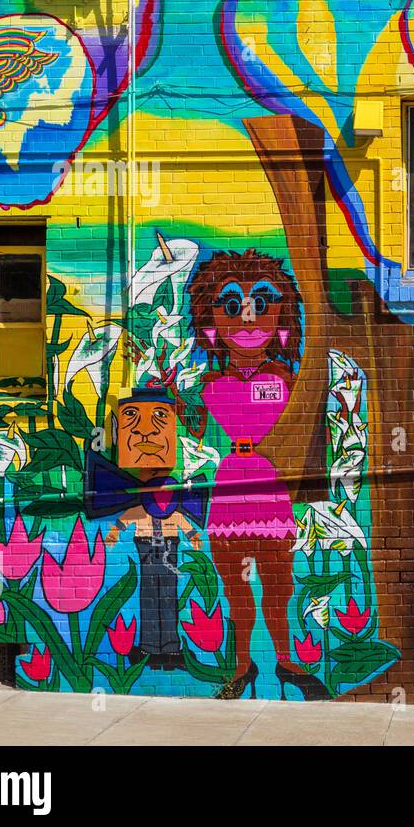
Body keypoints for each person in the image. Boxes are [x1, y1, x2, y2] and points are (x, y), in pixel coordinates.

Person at [185, 248, 329, 700]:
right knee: (236, 587)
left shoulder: (291, 381)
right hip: (231, 488)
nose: (247, 317)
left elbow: (310, 428)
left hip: (271, 486)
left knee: (278, 583)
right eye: (231, 305)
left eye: (262, 303)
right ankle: (243, 664)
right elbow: (193, 433)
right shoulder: (208, 384)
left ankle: (285, 661)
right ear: (210, 322)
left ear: (282, 317)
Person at [86, 387, 204, 670]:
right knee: (150, 596)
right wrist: (115, 531)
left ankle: (171, 648)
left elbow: (176, 516)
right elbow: (133, 513)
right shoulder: (142, 496)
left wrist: (191, 534)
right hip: (148, 547)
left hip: (168, 546)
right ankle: (152, 647)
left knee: (168, 596)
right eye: (131, 417)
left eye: (160, 416)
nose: (145, 431)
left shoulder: (169, 495)